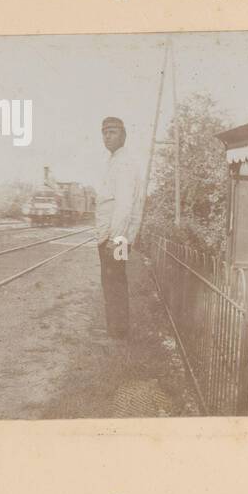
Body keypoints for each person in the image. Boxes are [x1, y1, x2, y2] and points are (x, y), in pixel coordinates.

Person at [94, 116, 144, 340]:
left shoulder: (123, 163)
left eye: (113, 132)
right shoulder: (114, 161)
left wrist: (115, 238)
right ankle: (117, 330)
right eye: (105, 132)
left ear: (124, 136)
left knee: (113, 281)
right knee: (115, 281)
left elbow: (124, 204)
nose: (107, 136)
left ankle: (118, 334)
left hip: (116, 237)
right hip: (117, 236)